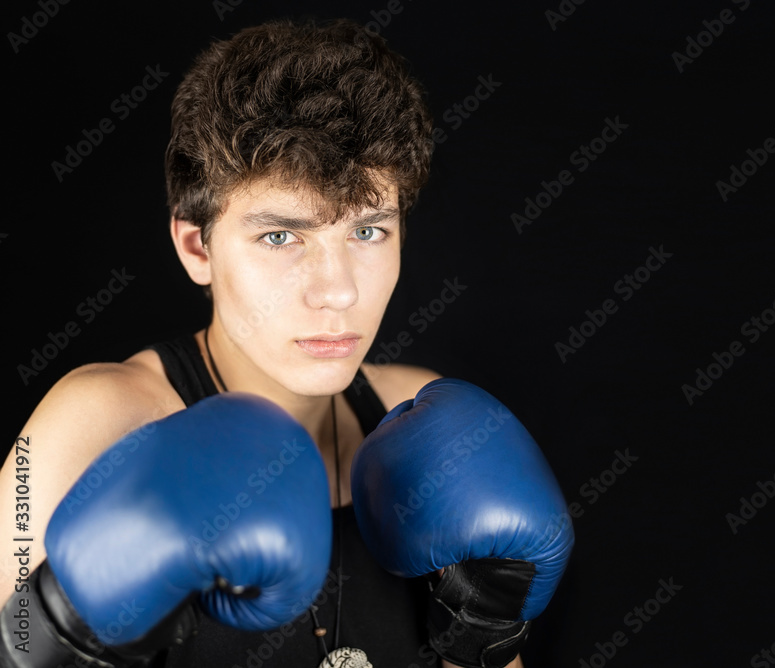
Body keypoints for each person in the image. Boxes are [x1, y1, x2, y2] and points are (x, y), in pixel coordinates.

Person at [0, 19, 572, 668]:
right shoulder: (91, 422)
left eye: (367, 233)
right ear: (197, 246)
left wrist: (484, 640)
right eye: (281, 237)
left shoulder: (423, 414)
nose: (336, 292)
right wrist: (60, 637)